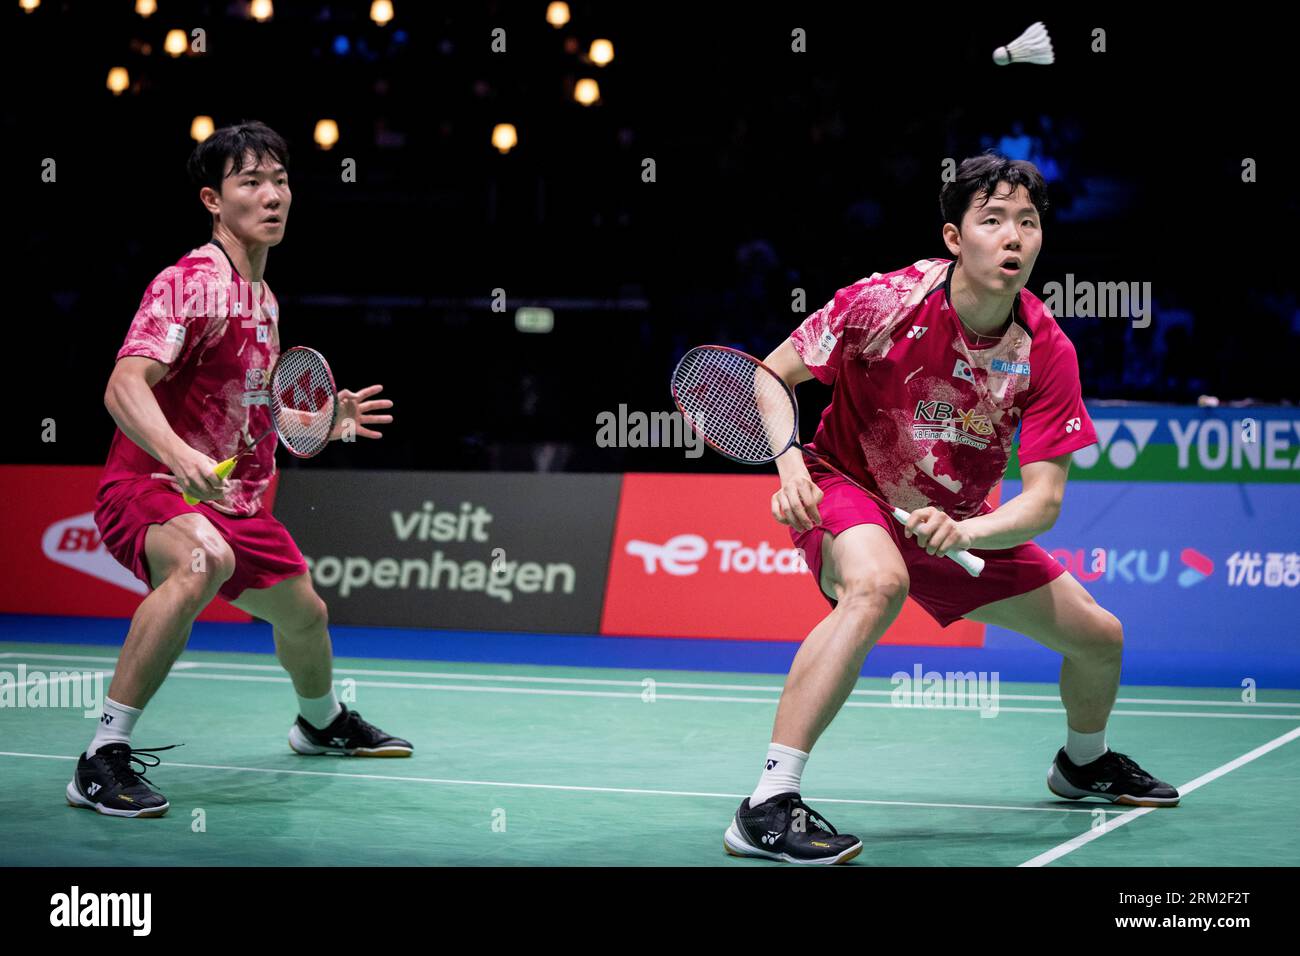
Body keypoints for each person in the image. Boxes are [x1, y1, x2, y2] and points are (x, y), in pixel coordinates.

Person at [723, 154, 1179, 865]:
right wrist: (788, 467)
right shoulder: (885, 302)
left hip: (952, 522)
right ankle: (767, 804)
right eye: (992, 220)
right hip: (846, 487)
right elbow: (768, 375)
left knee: (1101, 639)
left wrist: (964, 529)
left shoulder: (1046, 351)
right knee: (878, 584)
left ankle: (1082, 764)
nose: (1013, 238)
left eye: (1027, 223)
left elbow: (1043, 502)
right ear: (953, 237)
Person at [72, 121, 411, 819]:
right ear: (212, 200)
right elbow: (123, 386)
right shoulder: (188, 283)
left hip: (229, 501)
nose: (272, 195)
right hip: (151, 487)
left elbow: (248, 417)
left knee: (306, 615)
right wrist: (181, 457)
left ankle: (320, 723)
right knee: (202, 561)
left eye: (280, 180)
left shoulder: (262, 298)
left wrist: (320, 422)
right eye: (250, 183)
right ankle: (101, 755)